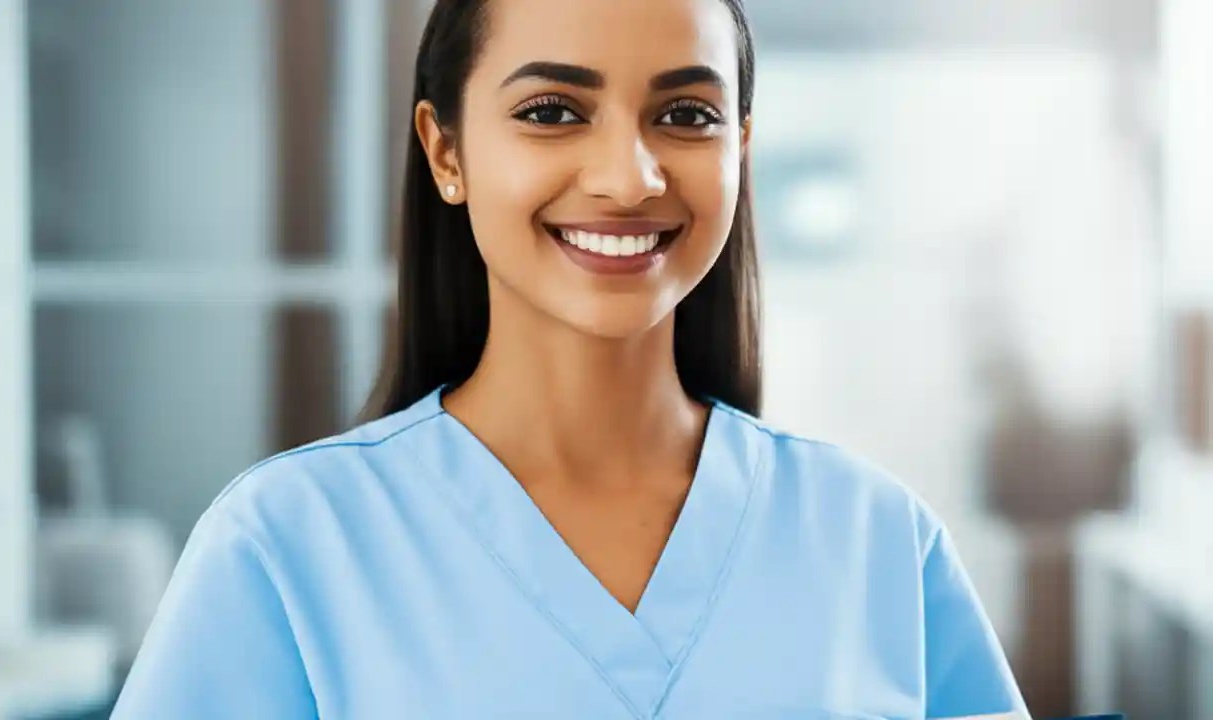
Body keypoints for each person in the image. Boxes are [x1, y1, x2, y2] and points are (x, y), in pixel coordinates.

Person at [111, 0, 1029, 717]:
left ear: (741, 149)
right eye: (552, 111)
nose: (629, 178)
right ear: (447, 151)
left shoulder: (879, 543)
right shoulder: (285, 548)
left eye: (687, 113)